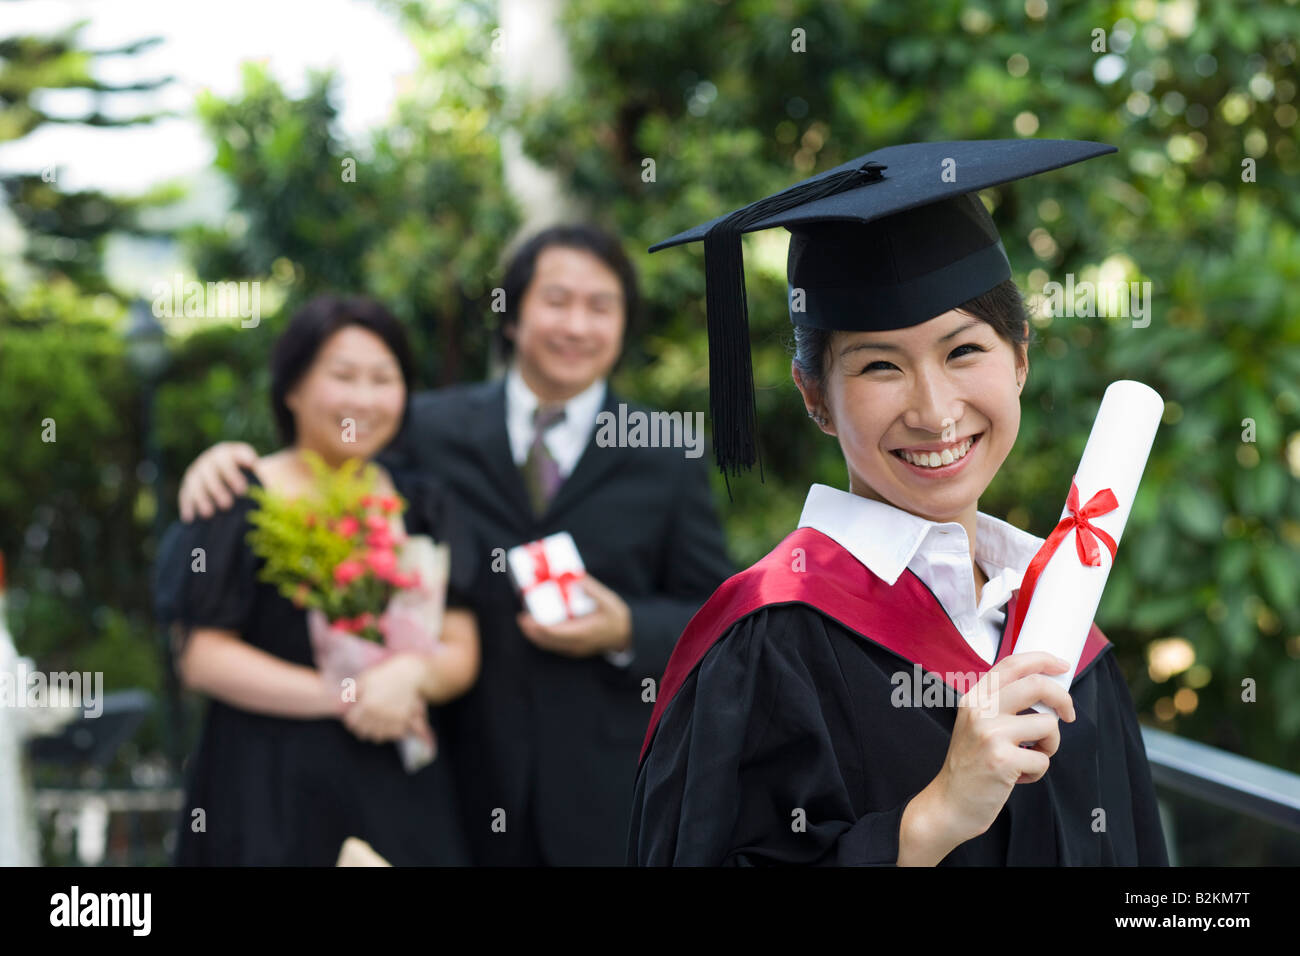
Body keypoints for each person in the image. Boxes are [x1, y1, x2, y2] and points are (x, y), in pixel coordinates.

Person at [629, 139, 1170, 866]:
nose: (936, 411)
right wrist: (929, 821)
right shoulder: (766, 642)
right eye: (880, 365)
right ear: (815, 397)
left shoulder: (1063, 634)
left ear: (1020, 358)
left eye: (963, 351)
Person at [174, 225, 734, 866]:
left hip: (602, 790)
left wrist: (625, 627)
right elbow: (325, 464)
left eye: (600, 306)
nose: (576, 325)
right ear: (513, 314)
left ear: (623, 324)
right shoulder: (427, 428)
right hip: (452, 782)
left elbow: (710, 612)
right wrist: (219, 462)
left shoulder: (665, 450)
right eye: (556, 300)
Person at [155, 295, 480, 866]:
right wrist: (348, 694)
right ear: (292, 387)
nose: (364, 398)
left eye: (384, 378)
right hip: (265, 789)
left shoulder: (424, 504)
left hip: (396, 784)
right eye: (342, 375)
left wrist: (413, 673)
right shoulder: (235, 497)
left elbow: (462, 646)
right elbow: (202, 656)